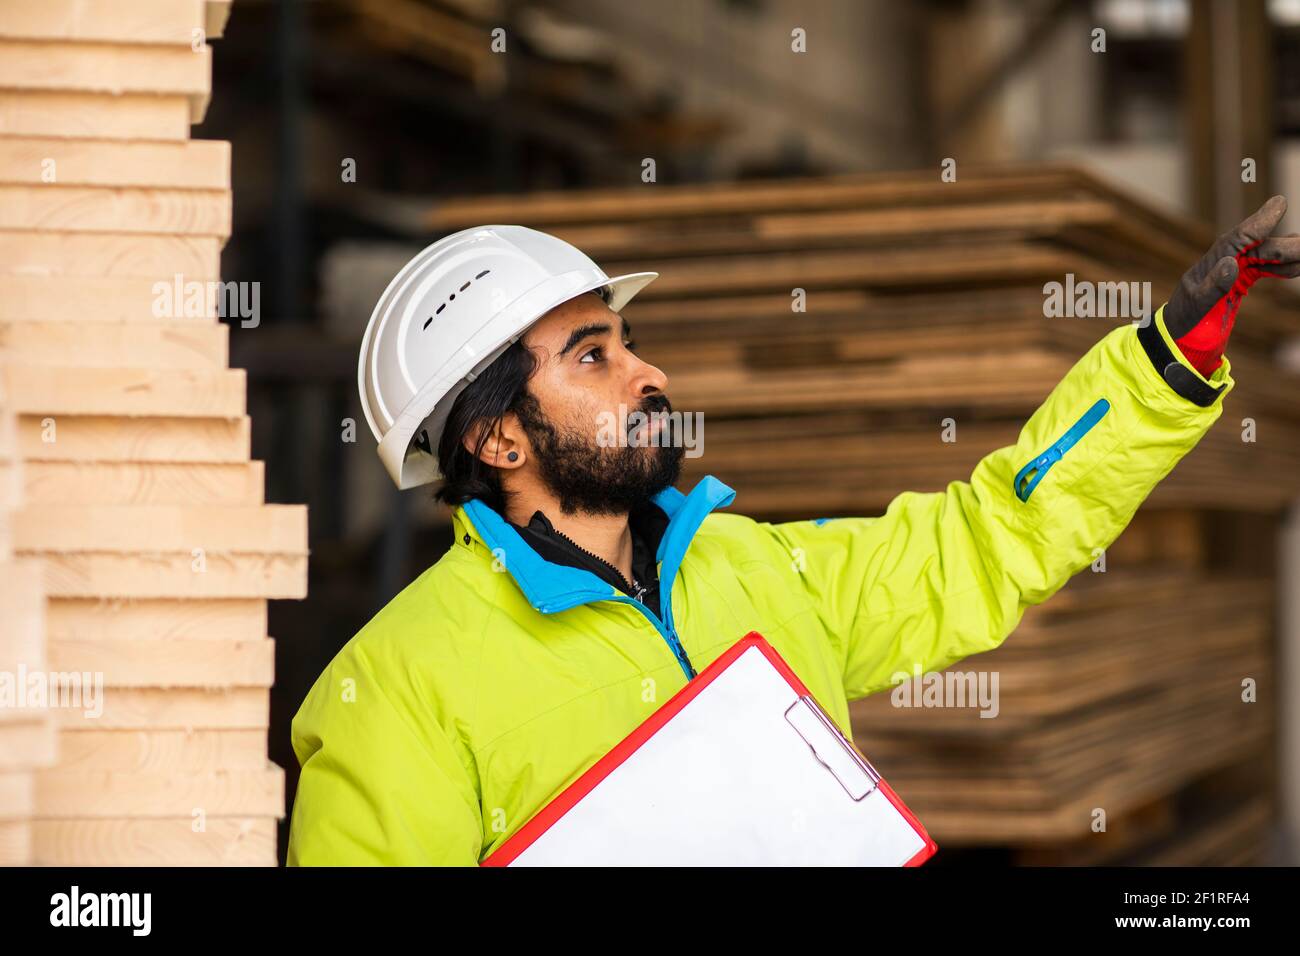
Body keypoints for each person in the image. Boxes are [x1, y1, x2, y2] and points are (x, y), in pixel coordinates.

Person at [287, 199, 1300, 865]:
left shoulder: (760, 570)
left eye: (628, 343)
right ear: (497, 434)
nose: (650, 375)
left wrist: (1168, 359)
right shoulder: (395, 689)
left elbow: (993, 536)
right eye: (591, 357)